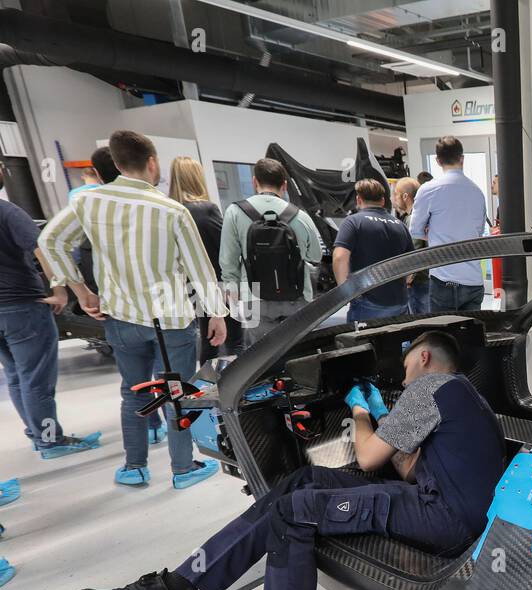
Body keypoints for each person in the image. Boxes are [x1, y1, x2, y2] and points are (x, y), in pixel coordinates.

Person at [68, 332, 506, 590]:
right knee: (299, 482)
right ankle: (181, 584)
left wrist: (360, 410)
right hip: (443, 506)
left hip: (442, 518)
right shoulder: (465, 395)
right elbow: (408, 470)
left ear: (424, 356)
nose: (404, 374)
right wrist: (382, 418)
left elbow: (371, 459)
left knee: (295, 513)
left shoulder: (429, 387)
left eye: (407, 365)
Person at [38, 130, 227, 489]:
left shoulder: (89, 202)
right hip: (171, 319)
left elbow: (50, 241)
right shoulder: (172, 210)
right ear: (152, 163)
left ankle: (134, 466)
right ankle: (182, 469)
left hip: (120, 317)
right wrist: (215, 313)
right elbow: (199, 268)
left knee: (132, 391)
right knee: (176, 391)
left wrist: (81, 291)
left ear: (117, 163)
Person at [0, 166, 98, 459]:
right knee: (36, 379)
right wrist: (59, 289)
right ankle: (50, 440)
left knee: (17, 375)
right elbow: (43, 247)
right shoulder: (8, 212)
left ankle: (37, 432)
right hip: (21, 307)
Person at [219, 157, 323, 347]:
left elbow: (228, 260)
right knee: (297, 353)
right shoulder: (300, 215)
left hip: (254, 297)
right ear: (284, 185)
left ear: (254, 182)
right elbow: (315, 256)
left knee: (260, 359)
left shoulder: (234, 212)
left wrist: (233, 295)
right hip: (297, 295)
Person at [168, 156, 239, 362]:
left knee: (208, 341)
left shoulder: (172, 212)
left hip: (189, 288)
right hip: (217, 286)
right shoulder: (206, 209)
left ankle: (205, 386)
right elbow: (225, 249)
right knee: (234, 342)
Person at [409, 137, 487, 311]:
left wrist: (434, 233)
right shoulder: (477, 192)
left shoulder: (428, 189)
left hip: (444, 280)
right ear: (462, 158)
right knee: (471, 335)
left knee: (443, 336)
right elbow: (479, 231)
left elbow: (415, 230)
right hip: (474, 280)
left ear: (437, 161)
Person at [332, 178, 413, 323]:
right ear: (382, 201)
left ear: (358, 199)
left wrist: (345, 293)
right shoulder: (400, 225)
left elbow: (339, 257)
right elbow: (413, 263)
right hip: (399, 301)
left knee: (365, 344)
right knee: (395, 343)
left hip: (368, 301)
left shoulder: (353, 222)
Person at [392, 176, 429, 315]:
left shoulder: (413, 218)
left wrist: (408, 279)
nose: (394, 198)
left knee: (421, 321)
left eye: (396, 194)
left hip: (420, 281)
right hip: (426, 278)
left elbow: (415, 251)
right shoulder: (421, 214)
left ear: (405, 196)